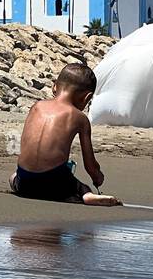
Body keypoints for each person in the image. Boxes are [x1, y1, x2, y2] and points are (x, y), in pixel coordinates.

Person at [9, 62, 121, 206]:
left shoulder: (36, 107)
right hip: (53, 183)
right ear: (86, 98)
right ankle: (86, 196)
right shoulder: (79, 118)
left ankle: (23, 184)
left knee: (13, 178)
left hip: (25, 181)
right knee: (80, 187)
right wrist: (97, 176)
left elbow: (25, 147)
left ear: (54, 86)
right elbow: (90, 165)